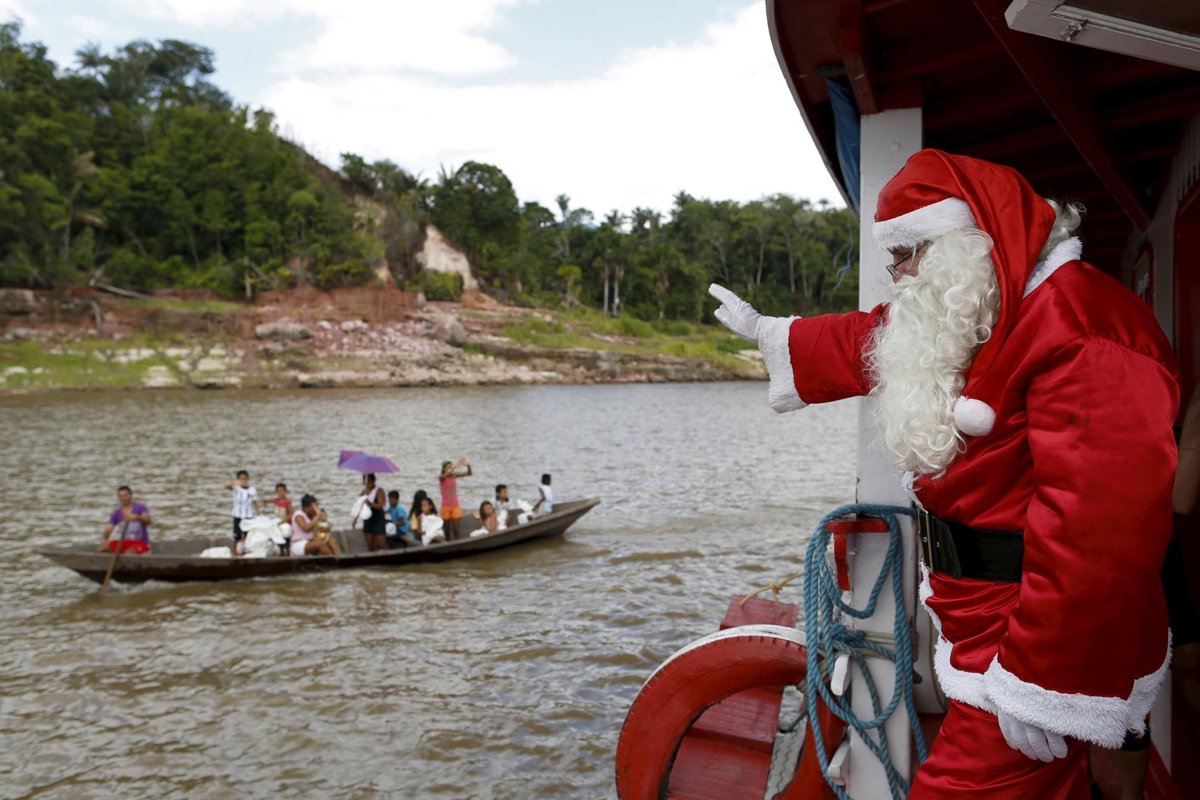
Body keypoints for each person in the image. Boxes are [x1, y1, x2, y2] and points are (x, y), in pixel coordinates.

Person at [710, 149, 1177, 798]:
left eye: (908, 252)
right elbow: (879, 335)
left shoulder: (1086, 329)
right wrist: (773, 335)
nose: (897, 273)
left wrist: (1037, 683)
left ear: (972, 238)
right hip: (983, 620)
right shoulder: (997, 303)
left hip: (1036, 644)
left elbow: (1100, 534)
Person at [99, 485, 152, 555]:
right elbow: (109, 528)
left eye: (125, 495)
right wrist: (104, 539)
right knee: (102, 549)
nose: (123, 498)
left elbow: (148, 520)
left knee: (129, 552)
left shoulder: (141, 508)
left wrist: (137, 518)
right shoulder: (117, 513)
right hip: (124, 542)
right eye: (120, 496)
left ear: (131, 495)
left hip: (140, 543)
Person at [224, 470, 260, 555]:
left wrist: (258, 515)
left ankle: (246, 552)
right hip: (237, 515)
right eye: (241, 479)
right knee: (236, 536)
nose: (243, 481)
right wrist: (236, 482)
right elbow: (227, 485)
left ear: (248, 479)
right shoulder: (236, 488)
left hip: (248, 515)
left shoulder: (252, 490)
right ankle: (234, 553)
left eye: (245, 479)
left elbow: (255, 503)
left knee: (248, 535)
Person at [438, 458, 472, 541]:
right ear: (443, 469)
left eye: (451, 467)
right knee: (447, 531)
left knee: (456, 529)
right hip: (445, 506)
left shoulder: (454, 475)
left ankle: (459, 546)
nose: (450, 469)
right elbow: (444, 475)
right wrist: (455, 466)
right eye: (448, 467)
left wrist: (468, 465)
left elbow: (469, 473)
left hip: (455, 505)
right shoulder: (441, 477)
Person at [360, 473, 388, 552]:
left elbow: (380, 506)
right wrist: (355, 519)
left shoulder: (379, 491)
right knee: (370, 544)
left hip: (378, 519)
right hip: (368, 519)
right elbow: (360, 506)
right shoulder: (364, 492)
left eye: (368, 482)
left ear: (373, 481)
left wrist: (369, 503)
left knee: (380, 543)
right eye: (365, 482)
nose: (366, 484)